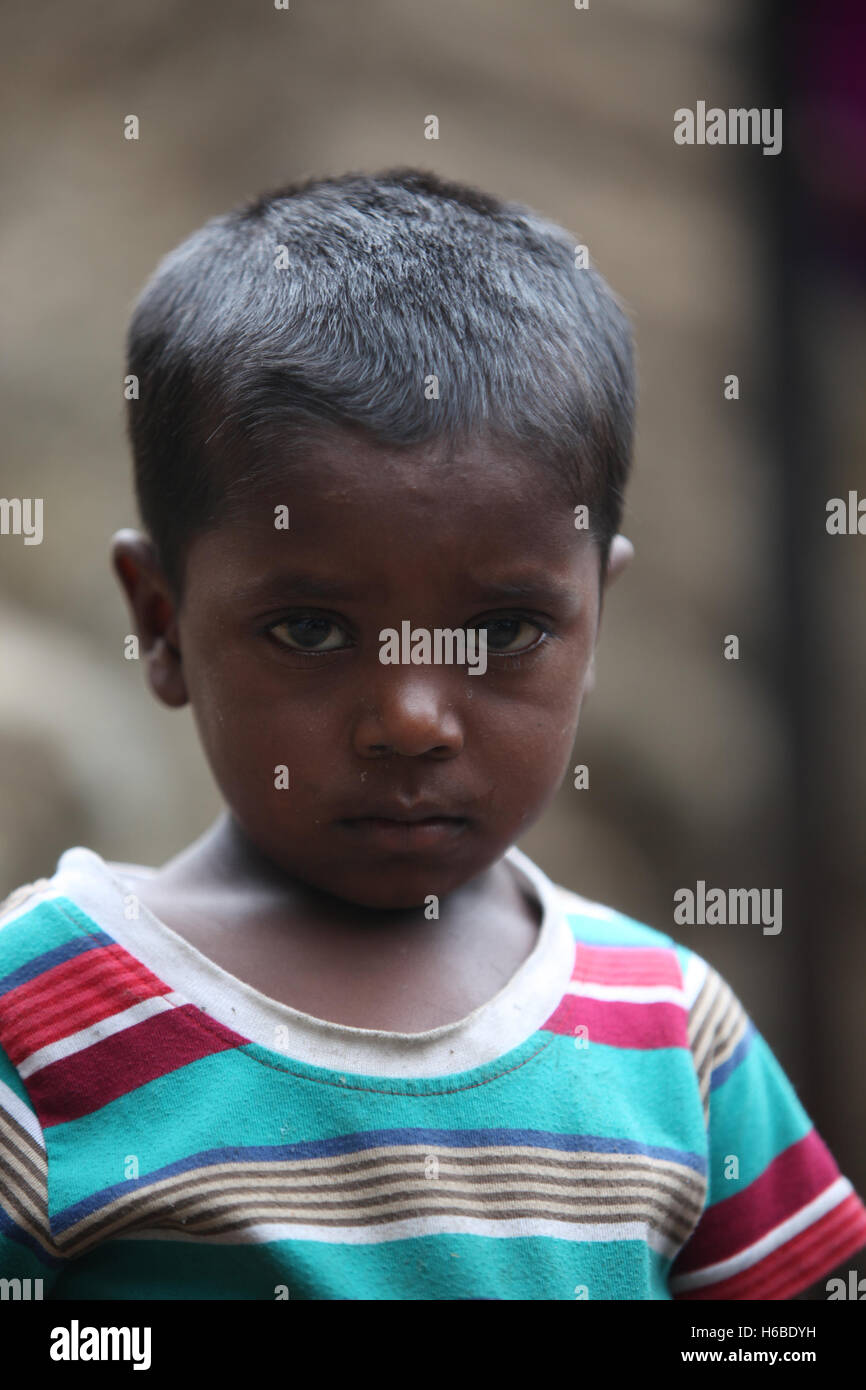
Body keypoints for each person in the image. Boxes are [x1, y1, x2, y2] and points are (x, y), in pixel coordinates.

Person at [0, 170, 863, 1301]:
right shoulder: (43, 1011)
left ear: (593, 621)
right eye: (309, 628)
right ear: (160, 623)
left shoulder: (671, 1038)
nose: (409, 718)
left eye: (505, 628)